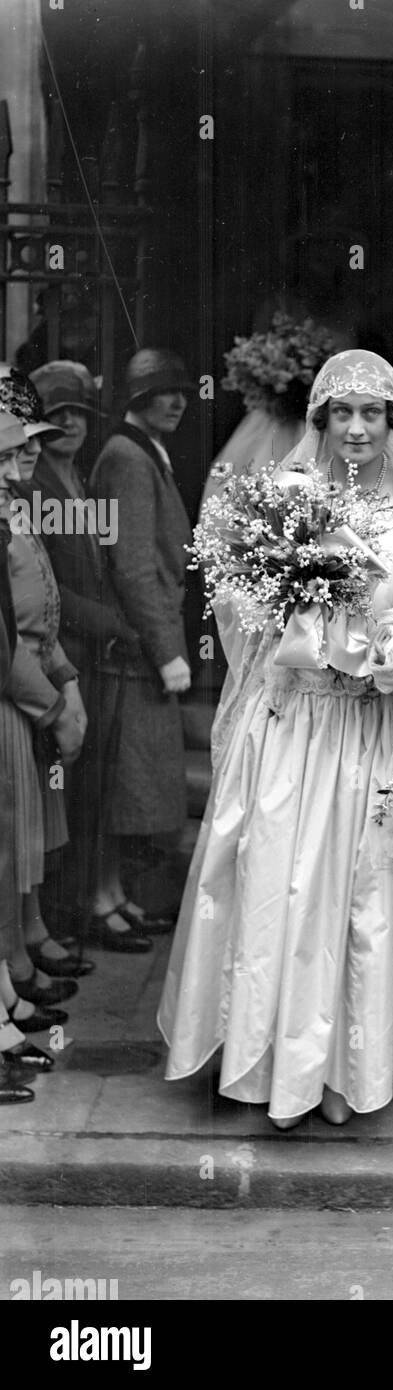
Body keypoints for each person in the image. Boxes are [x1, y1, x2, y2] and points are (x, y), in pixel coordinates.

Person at [158, 350, 393, 1128]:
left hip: (362, 729)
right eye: (341, 414)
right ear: (319, 420)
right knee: (268, 882)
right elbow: (237, 608)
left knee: (349, 896)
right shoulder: (284, 495)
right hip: (289, 722)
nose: (356, 429)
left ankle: (334, 1075)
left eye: (372, 414)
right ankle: (254, 1064)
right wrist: (300, 625)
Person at [86, 349, 196, 951]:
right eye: (164, 392)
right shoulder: (127, 458)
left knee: (129, 788)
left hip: (138, 647)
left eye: (182, 390)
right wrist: (165, 650)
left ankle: (114, 894)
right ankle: (100, 900)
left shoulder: (142, 452)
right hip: (129, 651)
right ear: (137, 399)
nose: (177, 401)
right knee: (117, 786)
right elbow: (131, 567)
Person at [24, 362, 125, 966]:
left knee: (82, 796)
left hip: (86, 658)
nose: (69, 426)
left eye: (78, 416)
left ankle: (71, 913)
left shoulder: (75, 476)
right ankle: (52, 922)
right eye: (56, 416)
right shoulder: (35, 485)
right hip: (60, 661)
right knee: (56, 797)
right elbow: (50, 585)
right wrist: (115, 624)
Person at [0, 410, 84, 1101]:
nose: (14, 469)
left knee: (12, 855)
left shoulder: (14, 518)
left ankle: (7, 1007)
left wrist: (65, 688)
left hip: (21, 698)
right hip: (12, 698)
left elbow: (39, 617)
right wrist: (53, 703)